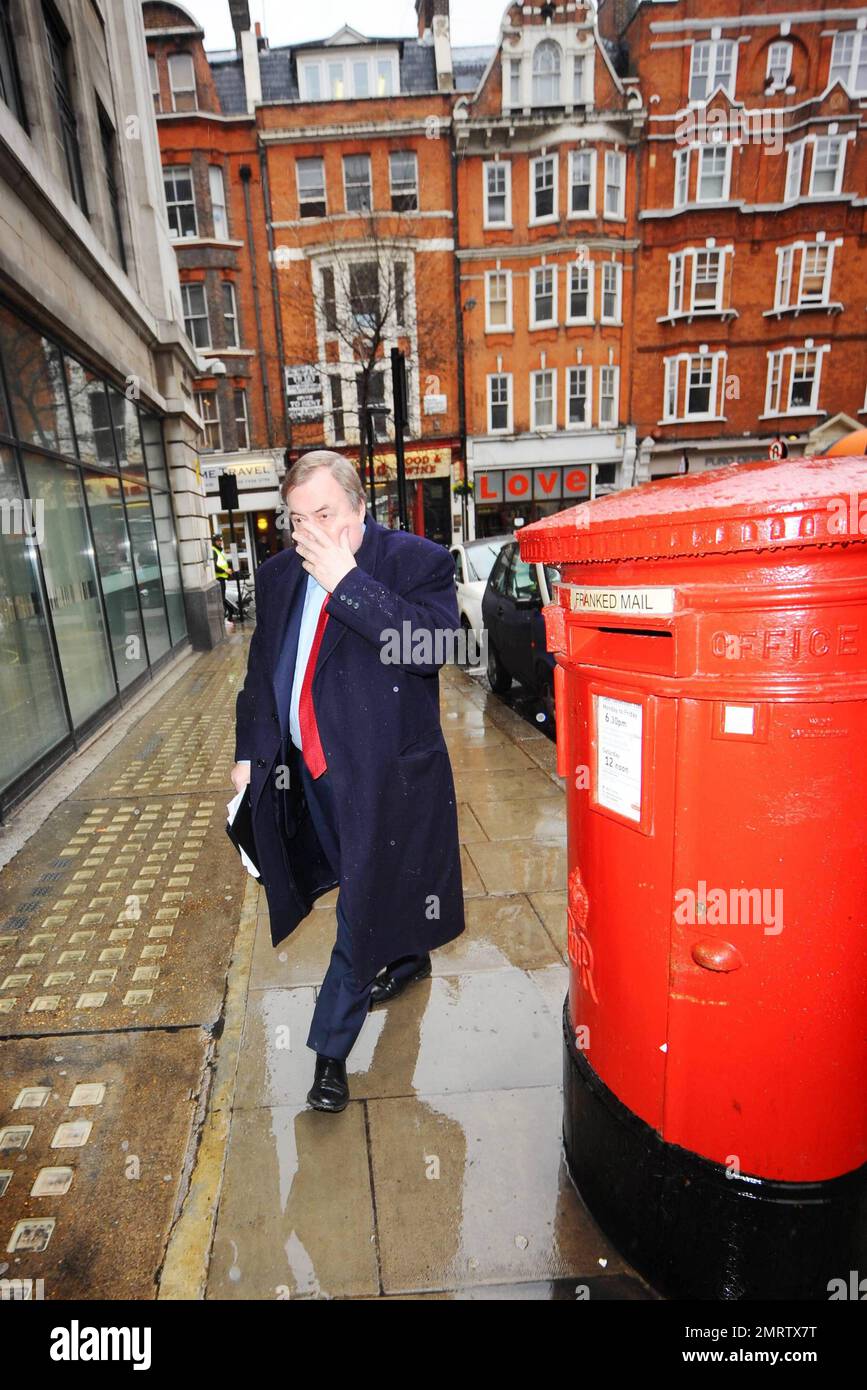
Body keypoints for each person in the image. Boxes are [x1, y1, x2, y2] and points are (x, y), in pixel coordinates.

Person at [231, 450, 465, 1112]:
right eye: (296, 518)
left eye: (325, 515)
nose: (308, 532)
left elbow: (432, 650)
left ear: (361, 508)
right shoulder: (279, 576)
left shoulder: (415, 561)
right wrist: (250, 753)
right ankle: (411, 951)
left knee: (359, 906)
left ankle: (329, 1051)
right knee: (356, 876)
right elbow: (259, 676)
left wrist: (348, 582)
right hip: (302, 772)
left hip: (383, 776)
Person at [212, 534, 238, 623]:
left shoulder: (219, 551)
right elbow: (214, 566)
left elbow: (222, 563)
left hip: (222, 578)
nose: (220, 542)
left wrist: (228, 569)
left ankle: (229, 612)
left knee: (222, 598)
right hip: (218, 578)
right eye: (218, 541)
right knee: (221, 599)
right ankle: (227, 613)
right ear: (214, 541)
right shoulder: (214, 551)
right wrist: (225, 570)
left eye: (221, 540)